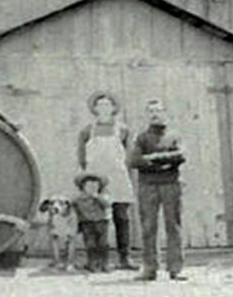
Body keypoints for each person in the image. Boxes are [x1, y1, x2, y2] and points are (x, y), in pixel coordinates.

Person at [127, 98, 187, 282]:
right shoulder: (142, 137)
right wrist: (165, 162)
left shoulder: (174, 136)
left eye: (158, 111)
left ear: (165, 113)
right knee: (148, 227)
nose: (155, 114)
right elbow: (134, 161)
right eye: (151, 111)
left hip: (171, 185)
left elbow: (181, 155)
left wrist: (153, 158)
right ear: (147, 115)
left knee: (173, 226)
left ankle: (176, 269)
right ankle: (150, 268)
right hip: (148, 186)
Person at [76, 91, 136, 270]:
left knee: (121, 217)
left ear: (113, 108)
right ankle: (97, 260)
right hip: (96, 180)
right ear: (94, 109)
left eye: (107, 105)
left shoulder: (123, 130)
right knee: (95, 220)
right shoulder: (87, 130)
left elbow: (130, 155)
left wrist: (122, 169)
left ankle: (125, 258)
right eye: (100, 105)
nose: (104, 108)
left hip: (117, 177)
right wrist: (90, 179)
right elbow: (81, 156)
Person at [72, 172, 112, 272]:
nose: (92, 189)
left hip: (101, 222)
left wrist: (97, 197)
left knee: (103, 244)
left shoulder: (102, 196)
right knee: (90, 244)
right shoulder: (79, 199)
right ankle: (92, 263)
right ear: (83, 187)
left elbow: (107, 204)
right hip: (87, 223)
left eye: (95, 186)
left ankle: (104, 263)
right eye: (88, 186)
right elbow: (73, 207)